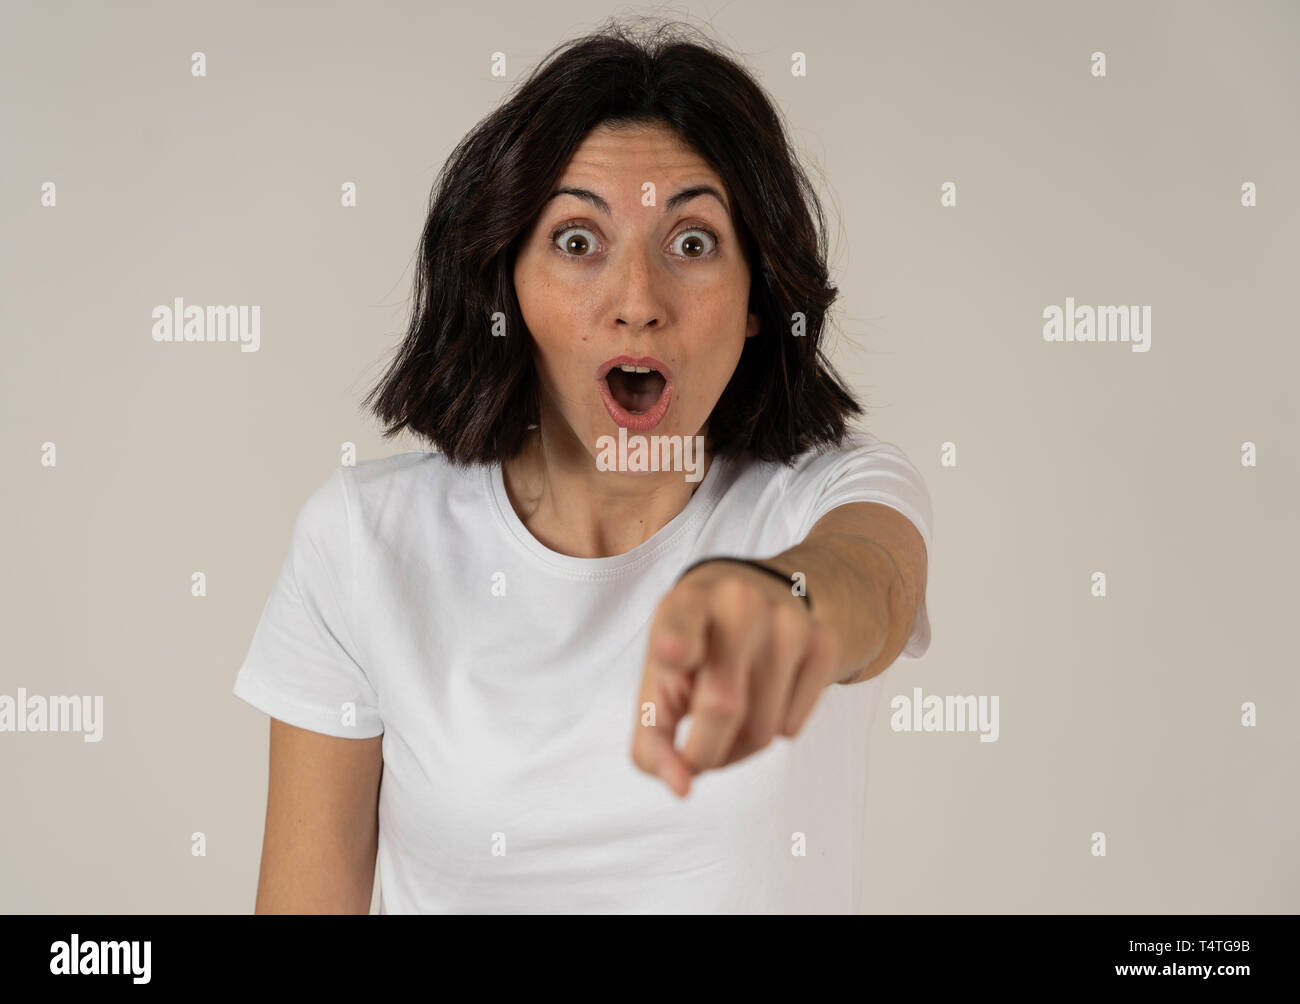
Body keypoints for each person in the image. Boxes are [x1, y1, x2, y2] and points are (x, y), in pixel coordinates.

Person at [234, 18, 932, 914]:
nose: (637, 302)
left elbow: (870, 583)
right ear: (506, 283)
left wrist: (787, 603)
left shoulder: (826, 494)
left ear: (759, 296)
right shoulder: (363, 542)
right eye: (577, 241)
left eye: (692, 243)